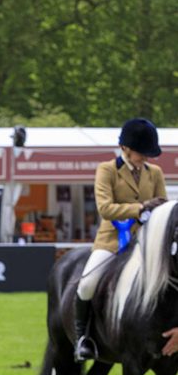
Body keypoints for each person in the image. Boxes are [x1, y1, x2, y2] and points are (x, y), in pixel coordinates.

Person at [74, 118, 167, 361]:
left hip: (147, 244)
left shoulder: (154, 173)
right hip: (112, 242)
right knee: (87, 284)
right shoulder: (107, 170)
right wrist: (140, 208)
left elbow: (163, 207)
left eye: (148, 154)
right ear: (125, 147)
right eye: (141, 152)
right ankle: (83, 338)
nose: (145, 158)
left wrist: (158, 210)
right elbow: (105, 208)